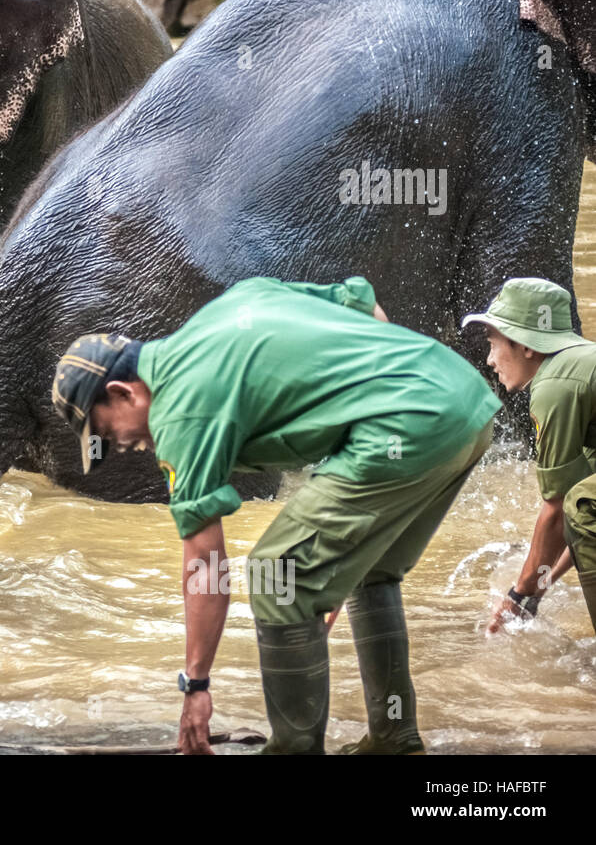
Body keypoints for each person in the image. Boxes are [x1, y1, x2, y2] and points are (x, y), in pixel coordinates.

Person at [52, 276, 501, 754]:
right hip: (462, 401)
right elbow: (365, 302)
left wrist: (196, 686)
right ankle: (394, 740)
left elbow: (205, 567)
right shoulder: (238, 302)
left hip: (409, 424)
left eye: (106, 430)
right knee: (371, 572)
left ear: (124, 394)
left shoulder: (179, 413)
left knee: (276, 574)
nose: (121, 445)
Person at [461, 277, 596, 633]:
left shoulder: (555, 385)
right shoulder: (580, 364)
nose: (490, 361)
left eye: (492, 345)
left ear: (525, 346)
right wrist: (536, 592)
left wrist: (518, 596)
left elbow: (560, 509)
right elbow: (573, 520)